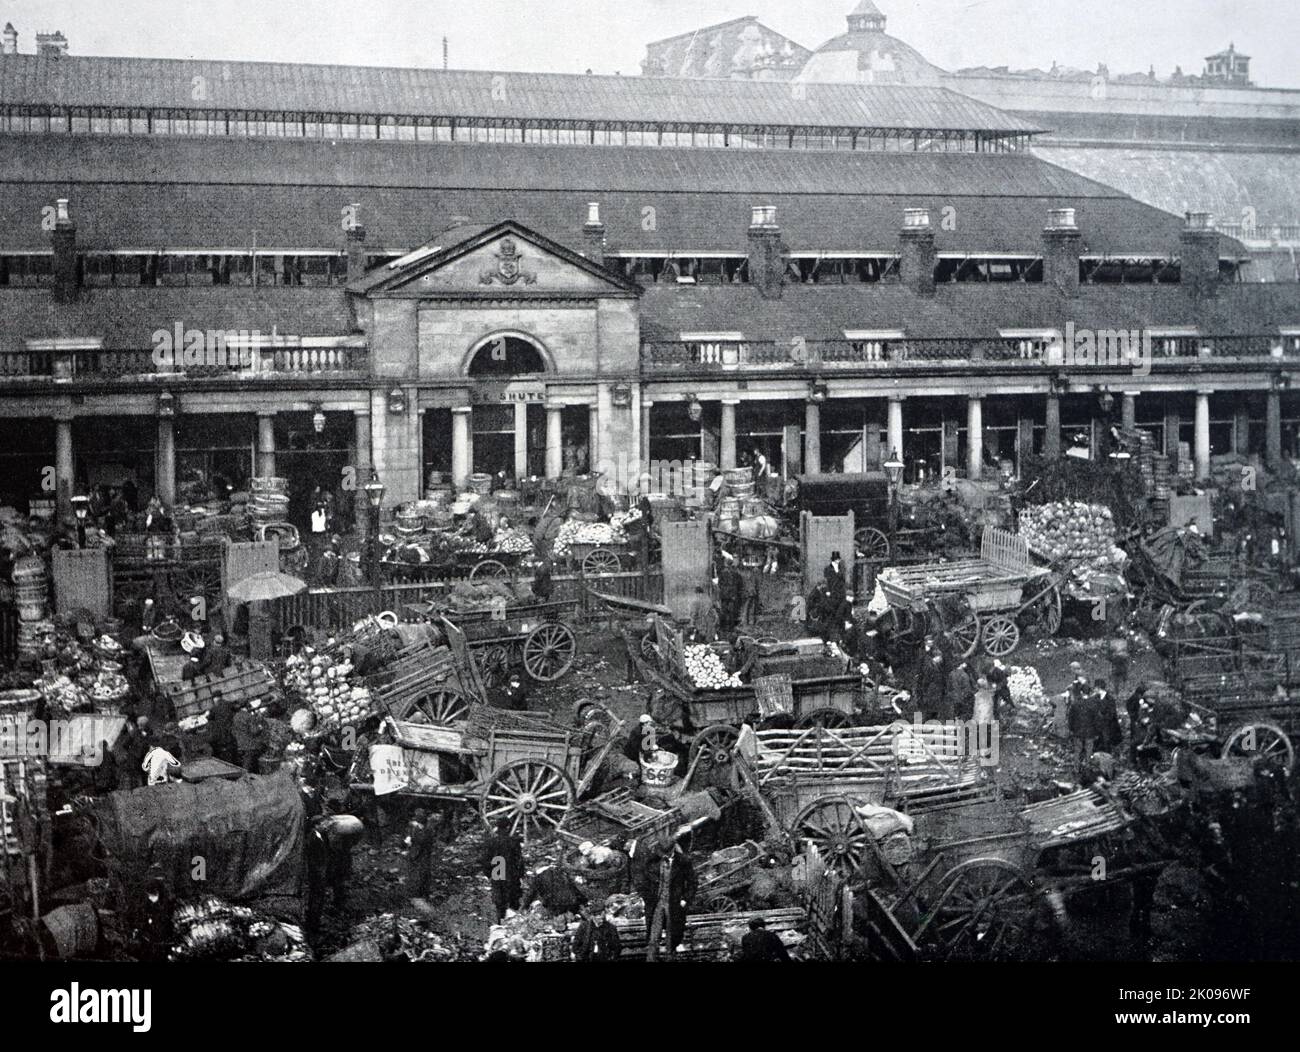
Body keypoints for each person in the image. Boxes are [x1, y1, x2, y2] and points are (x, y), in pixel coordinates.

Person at [478, 820, 524, 921]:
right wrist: (520, 875)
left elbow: (485, 860)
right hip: (511, 875)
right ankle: (513, 924)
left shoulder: (491, 842)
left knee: (500, 903)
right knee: (513, 900)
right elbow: (519, 861)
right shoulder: (513, 842)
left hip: (497, 874)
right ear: (508, 827)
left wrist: (489, 874)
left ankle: (500, 922)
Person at [405, 808, 440, 911]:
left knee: (419, 874)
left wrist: (410, 841)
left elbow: (420, 842)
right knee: (420, 873)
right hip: (420, 854)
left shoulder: (424, 830)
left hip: (420, 854)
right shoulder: (423, 829)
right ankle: (421, 894)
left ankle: (419, 895)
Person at [524, 864, 588, 917]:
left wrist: (524, 907)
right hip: (572, 902)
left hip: (556, 905)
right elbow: (572, 887)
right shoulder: (561, 873)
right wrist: (584, 901)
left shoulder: (538, 878)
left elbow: (531, 894)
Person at [207, 692, 239, 766]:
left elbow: (209, 718)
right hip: (231, 727)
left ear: (215, 698)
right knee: (232, 746)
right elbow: (236, 708)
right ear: (221, 696)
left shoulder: (214, 708)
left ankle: (228, 763)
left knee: (225, 748)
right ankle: (235, 761)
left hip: (222, 730)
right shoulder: (228, 703)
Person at [1092, 678, 1123, 754]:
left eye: (1095, 688)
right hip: (1098, 725)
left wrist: (1102, 717)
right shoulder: (1096, 698)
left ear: (1099, 688)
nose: (1094, 689)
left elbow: (1111, 714)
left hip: (1109, 725)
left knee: (1106, 741)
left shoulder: (1110, 699)